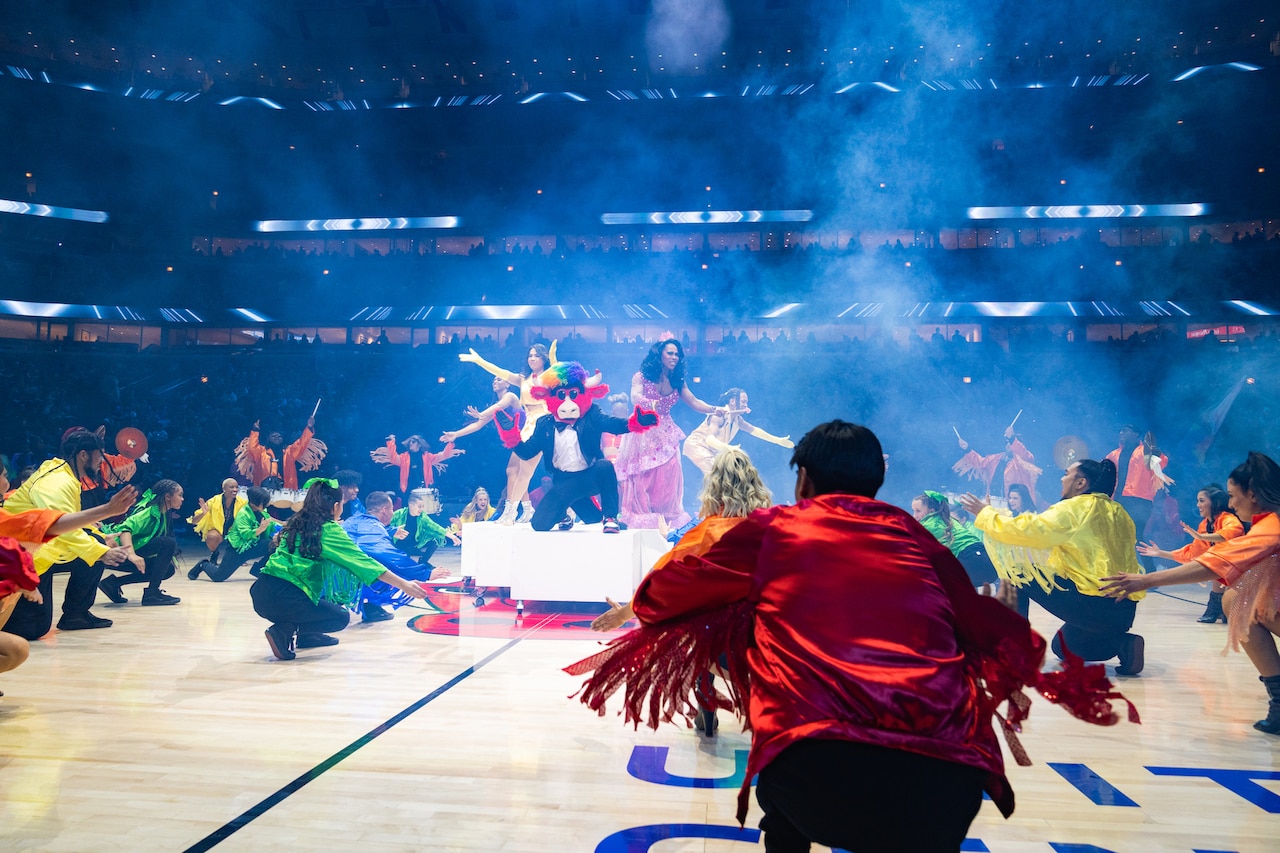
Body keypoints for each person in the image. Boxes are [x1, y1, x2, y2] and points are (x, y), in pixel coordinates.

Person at [568, 420, 1133, 851]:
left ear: (803, 479)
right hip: (942, 789)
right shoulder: (913, 535)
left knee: (784, 800)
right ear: (877, 481)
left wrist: (641, 608)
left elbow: (674, 588)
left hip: (818, 778)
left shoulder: (777, 529)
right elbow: (986, 627)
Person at [592, 447, 773, 734]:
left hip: (721, 642)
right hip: (768, 638)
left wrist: (624, 613)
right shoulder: (773, 526)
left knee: (698, 618)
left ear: (714, 486)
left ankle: (706, 706)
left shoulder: (706, 532)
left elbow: (661, 575)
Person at [1101, 452, 1280, 733]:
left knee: (1238, 600)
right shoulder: (1261, 522)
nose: (1231, 503)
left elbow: (1217, 561)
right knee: (1235, 597)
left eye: (1233, 496)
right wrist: (1163, 555)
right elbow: (1201, 555)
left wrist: (1145, 580)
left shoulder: (1269, 526)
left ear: (1253, 495)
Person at [960, 459, 1147, 675]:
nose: (1062, 478)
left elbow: (1030, 530)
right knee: (1064, 645)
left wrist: (986, 514)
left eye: (1067, 473)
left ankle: (1016, 651)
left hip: (1094, 604)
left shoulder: (1077, 507)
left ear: (1081, 483)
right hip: (1123, 611)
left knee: (1017, 574)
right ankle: (1123, 644)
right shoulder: (1119, 512)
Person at [249, 478, 433, 660]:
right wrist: (404, 584)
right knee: (339, 617)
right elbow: (364, 563)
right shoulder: (328, 530)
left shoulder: (297, 522)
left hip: (261, 591)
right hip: (285, 597)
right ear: (336, 506)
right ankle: (284, 630)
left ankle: (307, 636)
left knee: (325, 589)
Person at [3, 429, 136, 638]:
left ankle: (76, 615)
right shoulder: (57, 483)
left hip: (39, 554)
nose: (102, 462)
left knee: (97, 545)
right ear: (83, 455)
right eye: (99, 456)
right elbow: (59, 525)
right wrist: (101, 548)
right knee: (31, 629)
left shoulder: (67, 475)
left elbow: (70, 519)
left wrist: (101, 539)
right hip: (15, 558)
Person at [509, 361, 657, 533]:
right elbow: (527, 452)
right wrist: (510, 434)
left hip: (590, 477)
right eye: (561, 395)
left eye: (573, 394)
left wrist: (636, 423)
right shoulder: (544, 424)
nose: (567, 403)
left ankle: (610, 518)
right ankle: (563, 514)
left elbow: (611, 423)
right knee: (540, 525)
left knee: (605, 466)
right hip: (564, 481)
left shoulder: (591, 414)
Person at [614, 338, 722, 529]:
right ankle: (643, 515)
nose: (674, 357)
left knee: (669, 473)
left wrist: (714, 409)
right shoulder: (641, 376)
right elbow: (635, 397)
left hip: (666, 432)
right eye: (670, 353)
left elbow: (694, 401)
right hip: (644, 428)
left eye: (677, 354)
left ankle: (666, 516)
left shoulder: (677, 380)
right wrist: (650, 403)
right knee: (644, 474)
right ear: (659, 355)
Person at [457, 344, 555, 524]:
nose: (532, 358)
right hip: (527, 427)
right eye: (530, 355)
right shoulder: (523, 379)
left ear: (544, 358)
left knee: (528, 472)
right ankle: (516, 511)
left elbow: (562, 378)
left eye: (536, 355)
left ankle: (513, 512)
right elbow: (501, 372)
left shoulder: (550, 377)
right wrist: (479, 361)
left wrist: (554, 362)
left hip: (544, 426)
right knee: (517, 471)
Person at [1136, 484, 1243, 623]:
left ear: (1215, 503)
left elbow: (1232, 532)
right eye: (1198, 501)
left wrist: (1201, 536)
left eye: (1202, 501)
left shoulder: (1228, 518)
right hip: (1226, 569)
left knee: (1219, 565)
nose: (1198, 505)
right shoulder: (1205, 524)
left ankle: (1222, 607)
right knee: (1215, 565)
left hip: (1244, 567)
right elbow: (1193, 553)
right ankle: (1217, 607)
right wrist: (1161, 553)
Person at [341, 491, 451, 623]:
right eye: (391, 509)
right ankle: (372, 607)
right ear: (384, 509)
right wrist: (425, 573)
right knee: (388, 569)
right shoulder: (374, 529)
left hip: (333, 576)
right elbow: (387, 555)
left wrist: (391, 531)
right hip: (349, 580)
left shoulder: (353, 520)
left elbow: (361, 536)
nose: (393, 513)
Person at [99, 479, 184, 606]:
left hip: (125, 554)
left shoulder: (163, 514)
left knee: (168, 569)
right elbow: (125, 529)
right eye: (180, 495)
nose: (182, 499)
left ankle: (113, 583)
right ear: (167, 496)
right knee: (167, 543)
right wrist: (131, 555)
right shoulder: (149, 512)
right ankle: (152, 593)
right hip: (116, 553)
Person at [681, 388, 793, 477]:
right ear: (732, 401)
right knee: (718, 477)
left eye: (746, 402)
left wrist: (777, 440)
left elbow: (755, 430)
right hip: (697, 446)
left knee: (730, 475)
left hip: (713, 451)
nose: (746, 405)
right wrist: (728, 448)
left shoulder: (737, 420)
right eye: (743, 401)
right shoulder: (719, 415)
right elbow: (709, 440)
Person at [1106, 425, 1173, 570]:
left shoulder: (1144, 451)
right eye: (1120, 431)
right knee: (1117, 536)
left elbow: (1162, 462)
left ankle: (1150, 569)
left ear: (1136, 434)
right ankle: (1123, 569)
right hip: (1117, 500)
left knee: (1137, 536)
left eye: (1125, 430)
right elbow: (1103, 471)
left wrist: (1154, 451)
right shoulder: (1114, 454)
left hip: (1139, 500)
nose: (1121, 433)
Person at [911, 490, 999, 590]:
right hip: (989, 564)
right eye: (913, 511)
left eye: (918, 511)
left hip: (972, 561)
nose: (914, 516)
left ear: (931, 511)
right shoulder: (947, 519)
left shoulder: (928, 526)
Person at [189, 486, 275, 582]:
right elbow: (245, 535)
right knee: (218, 577)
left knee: (276, 544)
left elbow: (272, 524)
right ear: (254, 502)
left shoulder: (263, 513)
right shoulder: (243, 514)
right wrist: (260, 529)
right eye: (263, 502)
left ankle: (258, 570)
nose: (266, 504)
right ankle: (203, 564)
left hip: (254, 545)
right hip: (238, 549)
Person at [234, 416, 326, 491]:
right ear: (268, 439)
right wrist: (255, 431)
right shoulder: (261, 452)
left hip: (286, 490)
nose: (277, 438)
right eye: (274, 436)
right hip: (264, 490)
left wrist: (309, 427)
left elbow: (301, 443)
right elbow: (252, 447)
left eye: (279, 437)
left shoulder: (289, 452)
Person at [370, 434, 462, 497]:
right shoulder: (404, 457)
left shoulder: (428, 457)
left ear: (419, 444)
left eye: (413, 442)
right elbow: (393, 458)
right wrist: (391, 442)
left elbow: (443, 455)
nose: (411, 443)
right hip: (408, 491)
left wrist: (450, 443)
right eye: (410, 442)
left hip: (424, 491)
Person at [389, 488, 459, 566]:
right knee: (405, 566)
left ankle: (423, 561)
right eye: (419, 506)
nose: (421, 509)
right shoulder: (399, 514)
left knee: (437, 537)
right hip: (400, 543)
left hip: (415, 542)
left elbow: (434, 526)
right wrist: (393, 531)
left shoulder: (422, 516)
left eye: (422, 507)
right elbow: (385, 524)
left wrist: (452, 536)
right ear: (411, 506)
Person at [188, 478, 246, 568]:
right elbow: (194, 521)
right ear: (224, 489)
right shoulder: (213, 501)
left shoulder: (243, 502)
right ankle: (215, 553)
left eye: (236, 487)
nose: (235, 490)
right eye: (231, 487)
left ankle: (239, 556)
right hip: (218, 531)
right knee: (211, 537)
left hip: (234, 532)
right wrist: (203, 513)